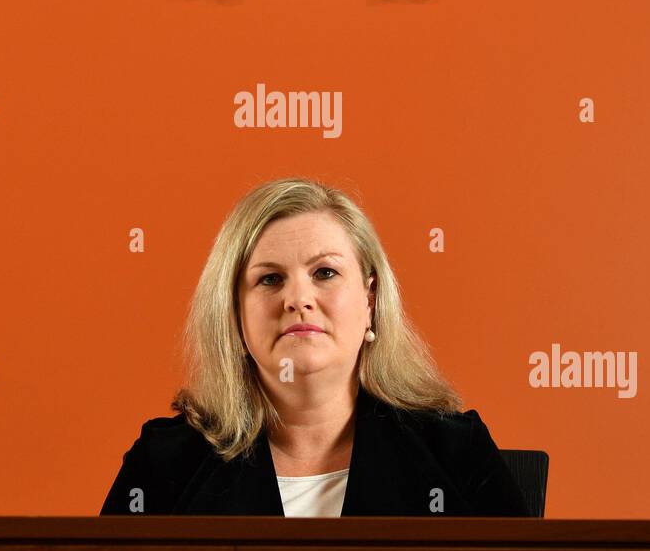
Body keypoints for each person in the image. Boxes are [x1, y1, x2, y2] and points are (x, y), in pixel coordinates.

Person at [100, 176, 530, 517]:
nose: (298, 299)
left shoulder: (455, 453)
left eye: (324, 273)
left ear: (371, 301)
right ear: (234, 314)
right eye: (270, 279)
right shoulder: (161, 466)